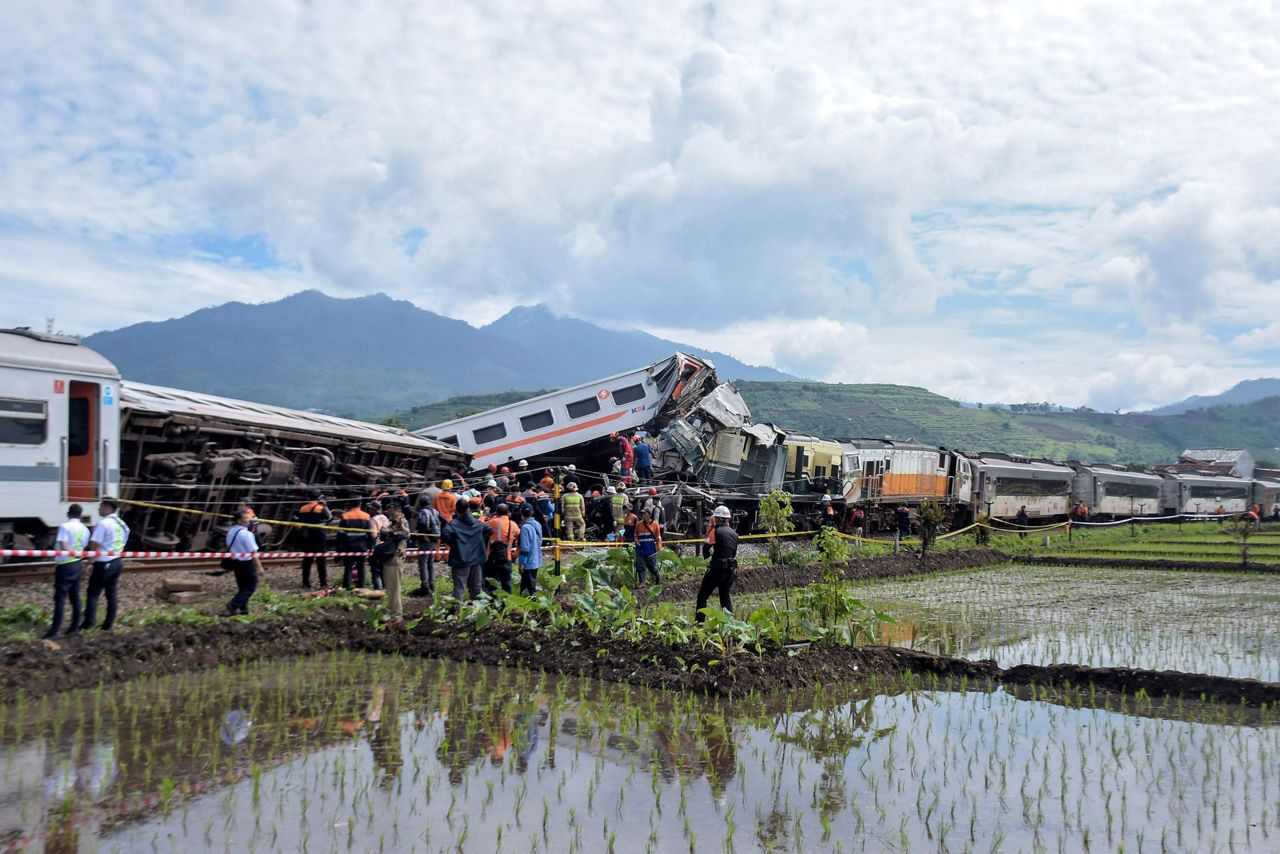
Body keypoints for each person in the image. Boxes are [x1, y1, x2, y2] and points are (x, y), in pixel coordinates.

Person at [81, 497, 130, 632]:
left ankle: (88, 623)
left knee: (93, 593)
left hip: (103, 562)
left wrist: (89, 563)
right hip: (117, 561)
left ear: (107, 507)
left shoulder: (103, 524)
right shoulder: (122, 524)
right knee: (111, 594)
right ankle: (108, 624)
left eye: (101, 506)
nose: (99, 509)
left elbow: (95, 544)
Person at [44, 504, 89, 639]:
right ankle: (74, 627)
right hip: (78, 564)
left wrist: (70, 554)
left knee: (60, 599)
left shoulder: (64, 527)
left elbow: (63, 544)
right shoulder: (85, 529)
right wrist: (76, 555)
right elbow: (84, 545)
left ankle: (55, 630)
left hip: (65, 564)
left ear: (68, 513)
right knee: (75, 597)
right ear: (80, 515)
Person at [442, 497, 492, 602]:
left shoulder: (453, 524)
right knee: (476, 587)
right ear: (468, 509)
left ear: (456, 510)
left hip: (460, 559)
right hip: (477, 559)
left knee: (459, 588)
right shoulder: (478, 523)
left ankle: (457, 613)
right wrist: (481, 541)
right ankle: (476, 612)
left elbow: (445, 534)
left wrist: (454, 544)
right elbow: (489, 530)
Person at [695, 506, 738, 621]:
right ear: (728, 519)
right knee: (725, 597)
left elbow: (706, 549)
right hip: (729, 570)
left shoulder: (716, 531)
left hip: (717, 569)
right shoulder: (734, 534)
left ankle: (699, 622)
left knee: (703, 595)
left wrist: (708, 557)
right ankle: (729, 623)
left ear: (718, 518)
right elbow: (733, 554)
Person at [225, 509, 264, 615]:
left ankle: (244, 610)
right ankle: (233, 604)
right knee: (251, 586)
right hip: (246, 564)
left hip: (236, 563)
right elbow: (253, 553)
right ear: (239, 521)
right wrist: (260, 568)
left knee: (242, 587)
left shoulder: (231, 531)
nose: (248, 520)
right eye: (246, 518)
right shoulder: (247, 534)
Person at [379, 503, 411, 621]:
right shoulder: (393, 522)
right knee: (390, 588)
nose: (389, 512)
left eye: (391, 509)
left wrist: (391, 533)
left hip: (395, 557)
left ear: (397, 510)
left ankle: (396, 616)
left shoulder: (402, 522)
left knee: (394, 589)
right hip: (389, 558)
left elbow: (406, 534)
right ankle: (393, 613)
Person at [294, 491, 332, 589]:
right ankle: (323, 583)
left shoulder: (303, 508)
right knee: (321, 561)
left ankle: (305, 583)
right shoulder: (320, 508)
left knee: (307, 561)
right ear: (318, 498)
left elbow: (299, 519)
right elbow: (329, 518)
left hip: (307, 536)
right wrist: (325, 505)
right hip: (319, 536)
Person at [338, 499, 374, 589]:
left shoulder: (345, 516)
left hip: (348, 546)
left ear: (350, 504)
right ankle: (361, 586)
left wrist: (340, 548)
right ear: (360, 504)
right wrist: (371, 547)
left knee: (348, 567)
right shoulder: (366, 516)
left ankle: (347, 587)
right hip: (362, 545)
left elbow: (341, 534)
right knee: (361, 567)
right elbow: (370, 533)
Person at [484, 504, 519, 595]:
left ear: (496, 512)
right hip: (507, 558)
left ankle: (492, 605)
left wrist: (484, 515)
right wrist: (517, 551)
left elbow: (480, 525)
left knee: (491, 585)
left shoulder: (491, 522)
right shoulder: (513, 524)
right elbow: (521, 537)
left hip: (492, 558)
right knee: (507, 584)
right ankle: (506, 605)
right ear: (508, 513)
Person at [414, 501, 442, 596]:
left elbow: (422, 523)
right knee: (431, 563)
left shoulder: (423, 512)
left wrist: (422, 533)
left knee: (423, 563)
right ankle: (432, 584)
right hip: (434, 539)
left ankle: (425, 586)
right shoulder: (435, 511)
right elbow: (442, 521)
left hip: (425, 540)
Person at [517, 505, 543, 595]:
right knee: (525, 586)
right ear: (532, 513)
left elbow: (525, 548)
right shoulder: (537, 524)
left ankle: (533, 605)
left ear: (521, 513)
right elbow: (540, 541)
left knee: (530, 589)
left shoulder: (525, 528)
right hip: (536, 560)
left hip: (528, 562)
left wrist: (521, 563)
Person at [634, 509, 663, 586]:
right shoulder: (638, 524)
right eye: (642, 514)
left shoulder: (655, 524)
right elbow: (636, 535)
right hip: (640, 548)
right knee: (640, 565)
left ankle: (658, 578)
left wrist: (659, 547)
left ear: (649, 514)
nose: (643, 515)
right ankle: (642, 582)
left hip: (650, 549)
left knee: (652, 566)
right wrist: (636, 541)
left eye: (645, 514)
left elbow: (658, 537)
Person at [368, 501, 391, 590]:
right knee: (384, 568)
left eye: (370, 508)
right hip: (387, 546)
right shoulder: (385, 518)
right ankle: (386, 587)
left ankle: (378, 588)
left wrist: (370, 547)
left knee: (375, 569)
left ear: (374, 509)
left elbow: (373, 535)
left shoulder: (373, 520)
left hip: (377, 547)